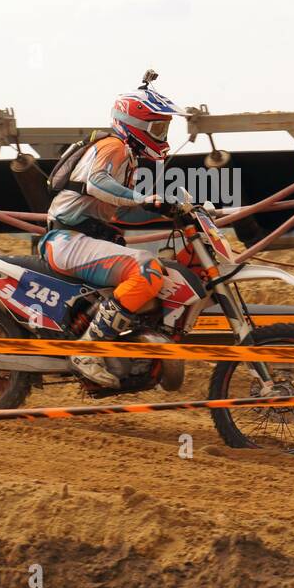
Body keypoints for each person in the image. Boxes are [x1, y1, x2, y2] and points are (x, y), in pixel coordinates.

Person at [39, 74, 185, 387]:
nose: (162, 135)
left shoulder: (127, 157)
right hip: (67, 240)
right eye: (157, 127)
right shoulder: (114, 146)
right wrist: (143, 198)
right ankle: (88, 351)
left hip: (77, 239)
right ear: (136, 124)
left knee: (146, 266)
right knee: (147, 270)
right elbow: (97, 183)